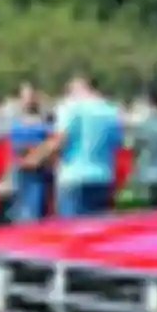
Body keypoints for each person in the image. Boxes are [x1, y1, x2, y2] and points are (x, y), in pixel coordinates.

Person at [24, 72, 123, 217]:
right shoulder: (111, 111)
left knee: (72, 227)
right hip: (104, 177)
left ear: (77, 88)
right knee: (99, 226)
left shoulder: (72, 107)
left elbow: (60, 140)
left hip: (73, 178)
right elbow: (117, 144)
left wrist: (34, 158)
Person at [3, 84, 54, 222]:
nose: (29, 100)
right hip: (19, 166)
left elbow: (52, 141)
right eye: (25, 96)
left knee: (37, 205)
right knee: (18, 205)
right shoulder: (13, 119)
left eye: (31, 96)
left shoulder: (46, 119)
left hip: (39, 167)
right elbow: (7, 144)